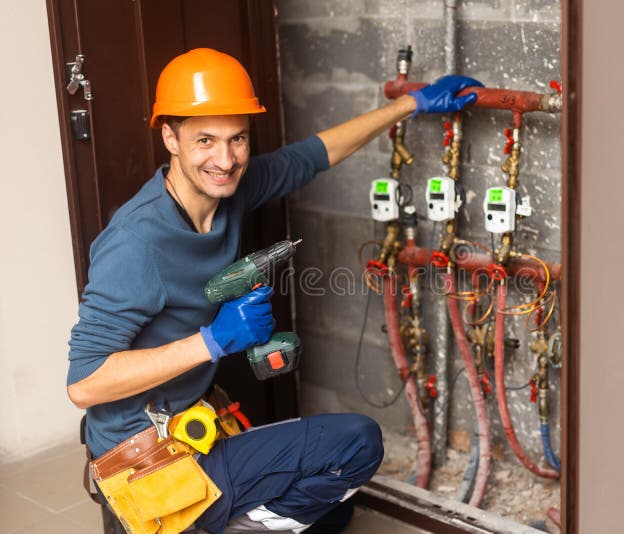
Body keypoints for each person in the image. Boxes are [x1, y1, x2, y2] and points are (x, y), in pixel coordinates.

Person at [66, 48, 482, 534]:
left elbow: (312, 155)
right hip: (144, 457)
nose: (224, 160)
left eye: (237, 139)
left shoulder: (230, 188)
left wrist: (410, 105)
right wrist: (212, 342)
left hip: (190, 428)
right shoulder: (136, 244)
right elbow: (84, 383)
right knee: (357, 443)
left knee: (336, 511)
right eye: (205, 140)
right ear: (169, 138)